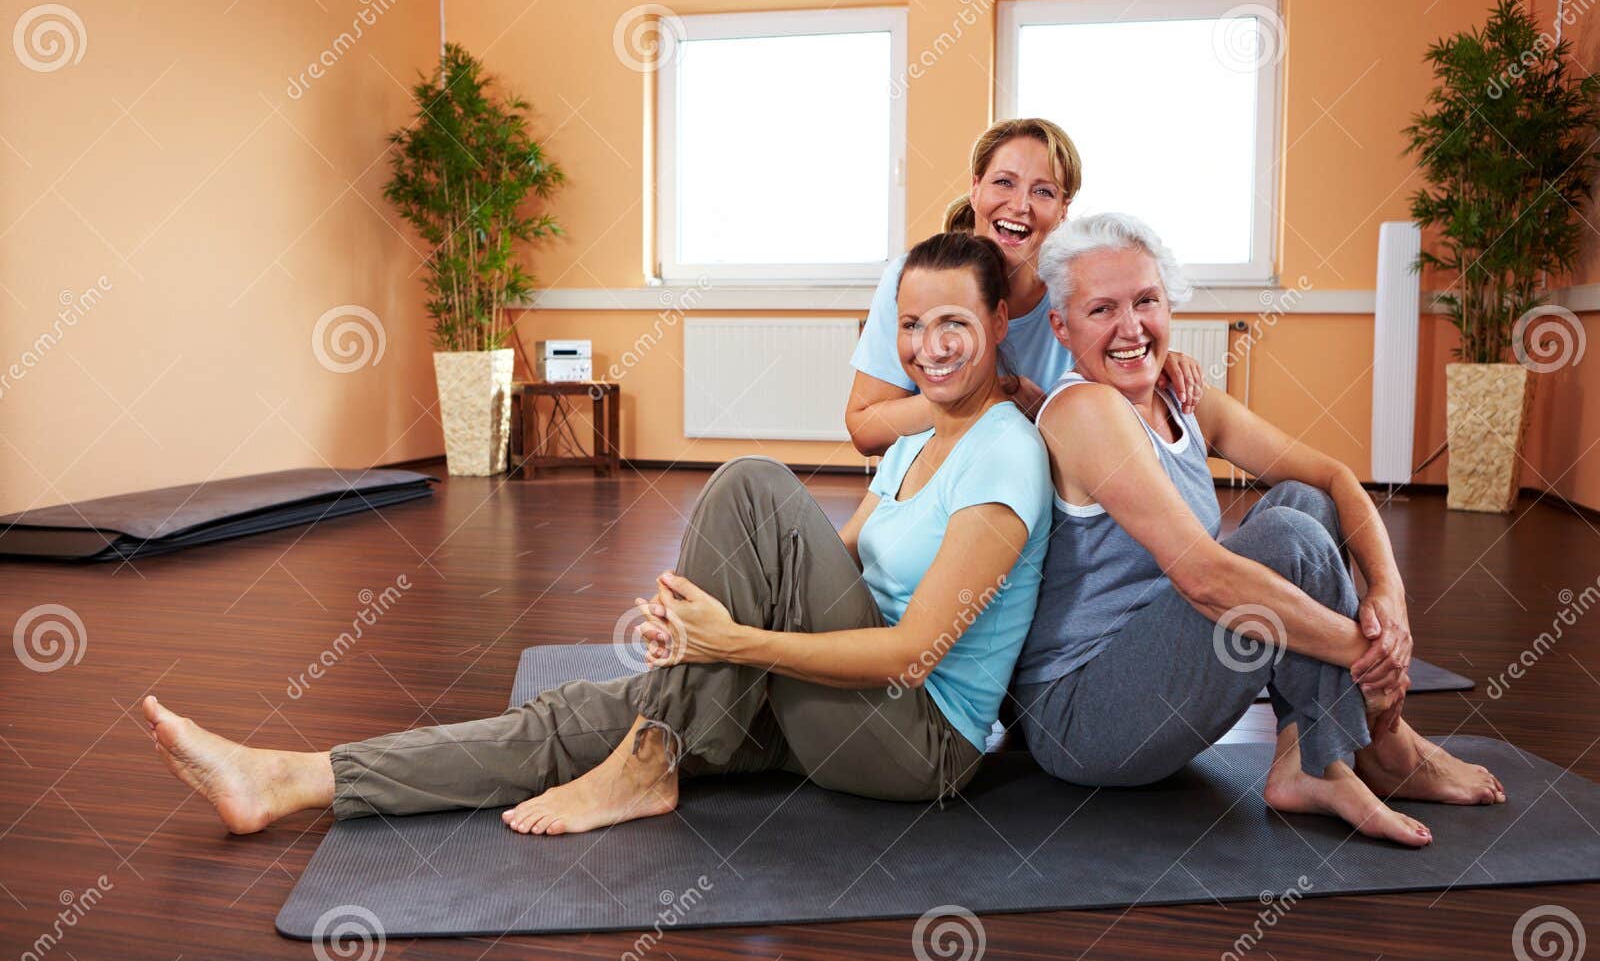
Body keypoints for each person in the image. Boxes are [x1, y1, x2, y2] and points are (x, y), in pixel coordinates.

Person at [140, 232, 1053, 837]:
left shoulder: (1003, 454)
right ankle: (290, 779)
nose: (928, 346)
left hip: (915, 743)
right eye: (910, 326)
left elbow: (906, 654)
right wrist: (695, 619)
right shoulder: (922, 434)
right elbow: (841, 555)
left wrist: (734, 640)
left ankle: (651, 758)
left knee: (753, 481)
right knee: (571, 718)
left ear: (1000, 323)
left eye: (953, 324)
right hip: (830, 701)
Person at [1012, 212, 1506, 848]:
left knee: (1302, 500)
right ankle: (1380, 745)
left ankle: (1310, 759)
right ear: (1062, 325)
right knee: (1287, 544)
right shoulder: (1082, 409)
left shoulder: (1181, 399)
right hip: (1085, 718)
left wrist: (1390, 597)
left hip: (1163, 670)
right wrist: (1368, 656)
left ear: (1169, 304)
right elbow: (1202, 575)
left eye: (1146, 301)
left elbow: (1333, 477)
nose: (1131, 328)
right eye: (1101, 310)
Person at [845, 117, 1207, 456]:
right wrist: (984, 397)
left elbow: (1109, 409)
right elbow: (866, 430)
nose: (1020, 205)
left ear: (1064, 210)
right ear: (975, 189)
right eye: (1004, 182)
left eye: (1044, 192)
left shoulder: (1074, 287)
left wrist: (1152, 362)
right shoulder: (912, 277)